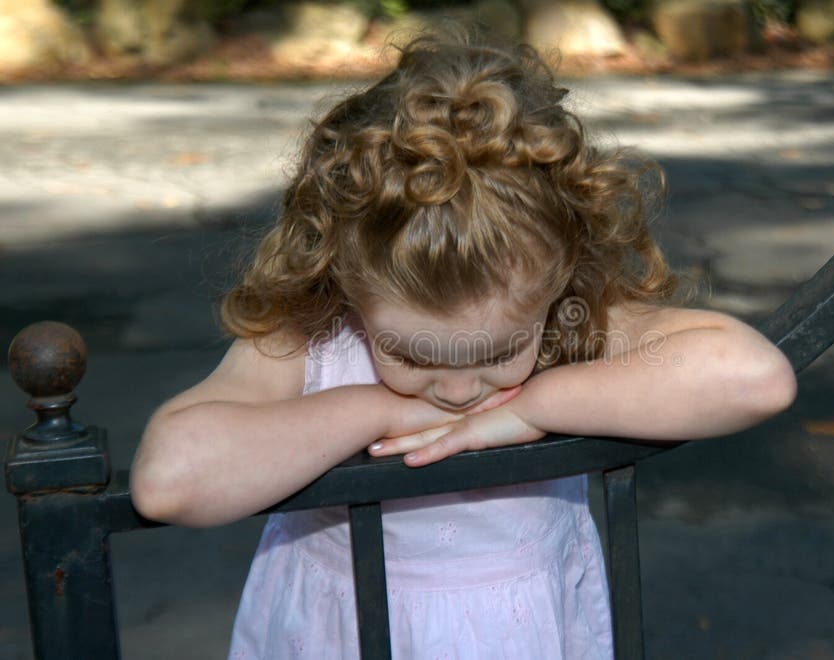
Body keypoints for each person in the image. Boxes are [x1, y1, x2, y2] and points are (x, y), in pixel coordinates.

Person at [131, 34, 797, 660]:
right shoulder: (316, 332)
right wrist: (373, 411)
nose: (457, 392)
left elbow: (751, 378)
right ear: (343, 279)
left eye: (500, 351)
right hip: (341, 635)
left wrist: (535, 405)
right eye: (413, 355)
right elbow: (170, 481)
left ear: (564, 275)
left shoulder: (565, 316)